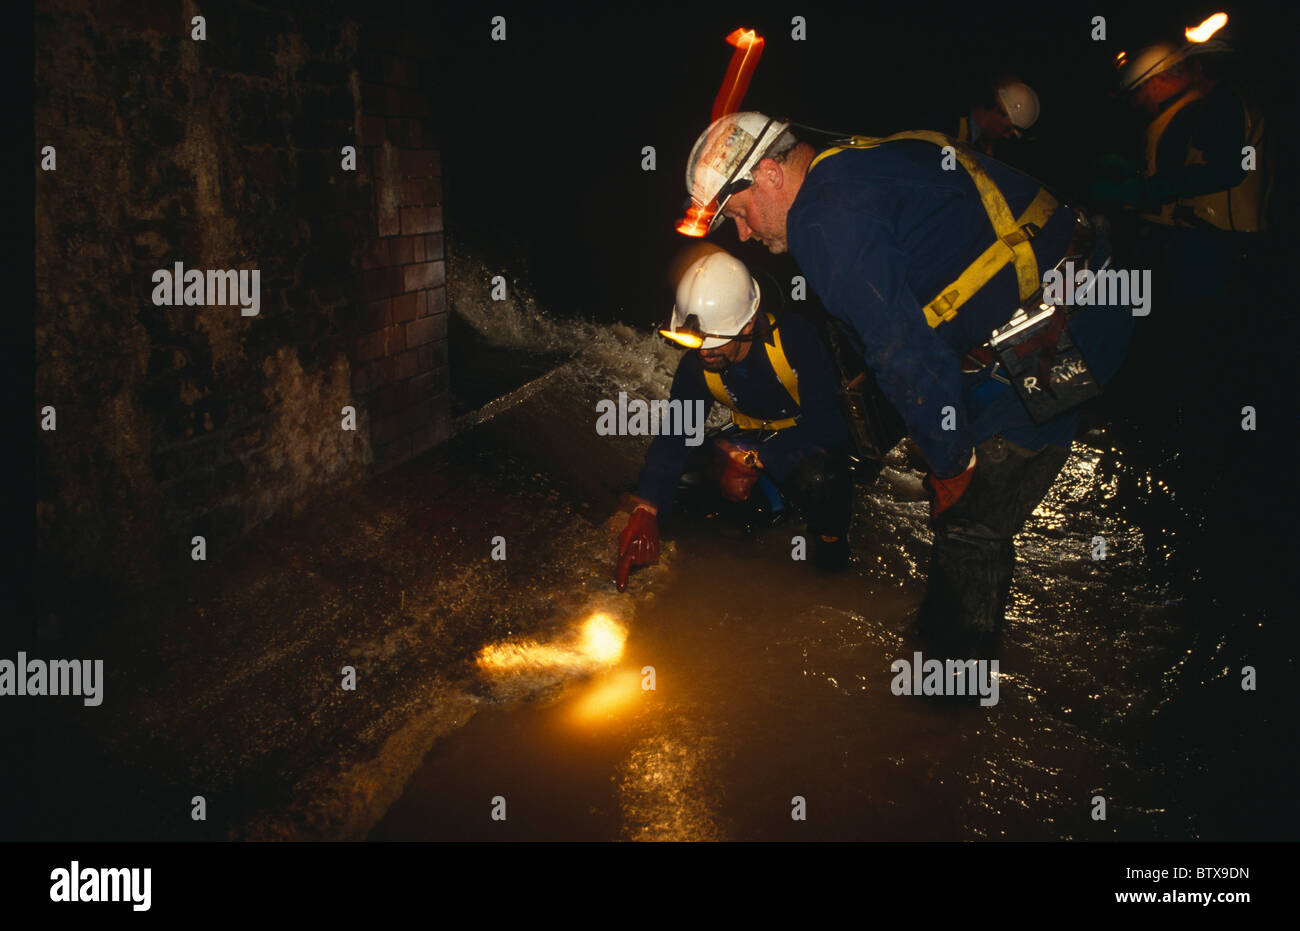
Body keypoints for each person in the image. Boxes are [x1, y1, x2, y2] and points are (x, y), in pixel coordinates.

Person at [678, 111, 1133, 654]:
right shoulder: (849, 159)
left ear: (771, 174)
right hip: (1088, 289)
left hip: (1060, 334)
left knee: (970, 520)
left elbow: (901, 349)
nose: (745, 233)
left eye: (740, 213)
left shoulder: (820, 220)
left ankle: (949, 694)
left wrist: (950, 463)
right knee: (964, 448)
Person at [615, 249, 856, 592]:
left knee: (822, 480)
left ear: (748, 323)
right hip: (748, 445)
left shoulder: (795, 339)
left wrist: (757, 460)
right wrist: (647, 509)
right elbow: (674, 437)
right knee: (664, 485)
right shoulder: (697, 365)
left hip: (805, 449)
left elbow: (833, 425)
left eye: (714, 342)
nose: (704, 352)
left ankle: (832, 564)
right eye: (698, 341)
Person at [956, 76, 1041, 160]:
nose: (1006, 137)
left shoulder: (981, 144)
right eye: (1006, 129)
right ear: (997, 111)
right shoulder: (951, 121)